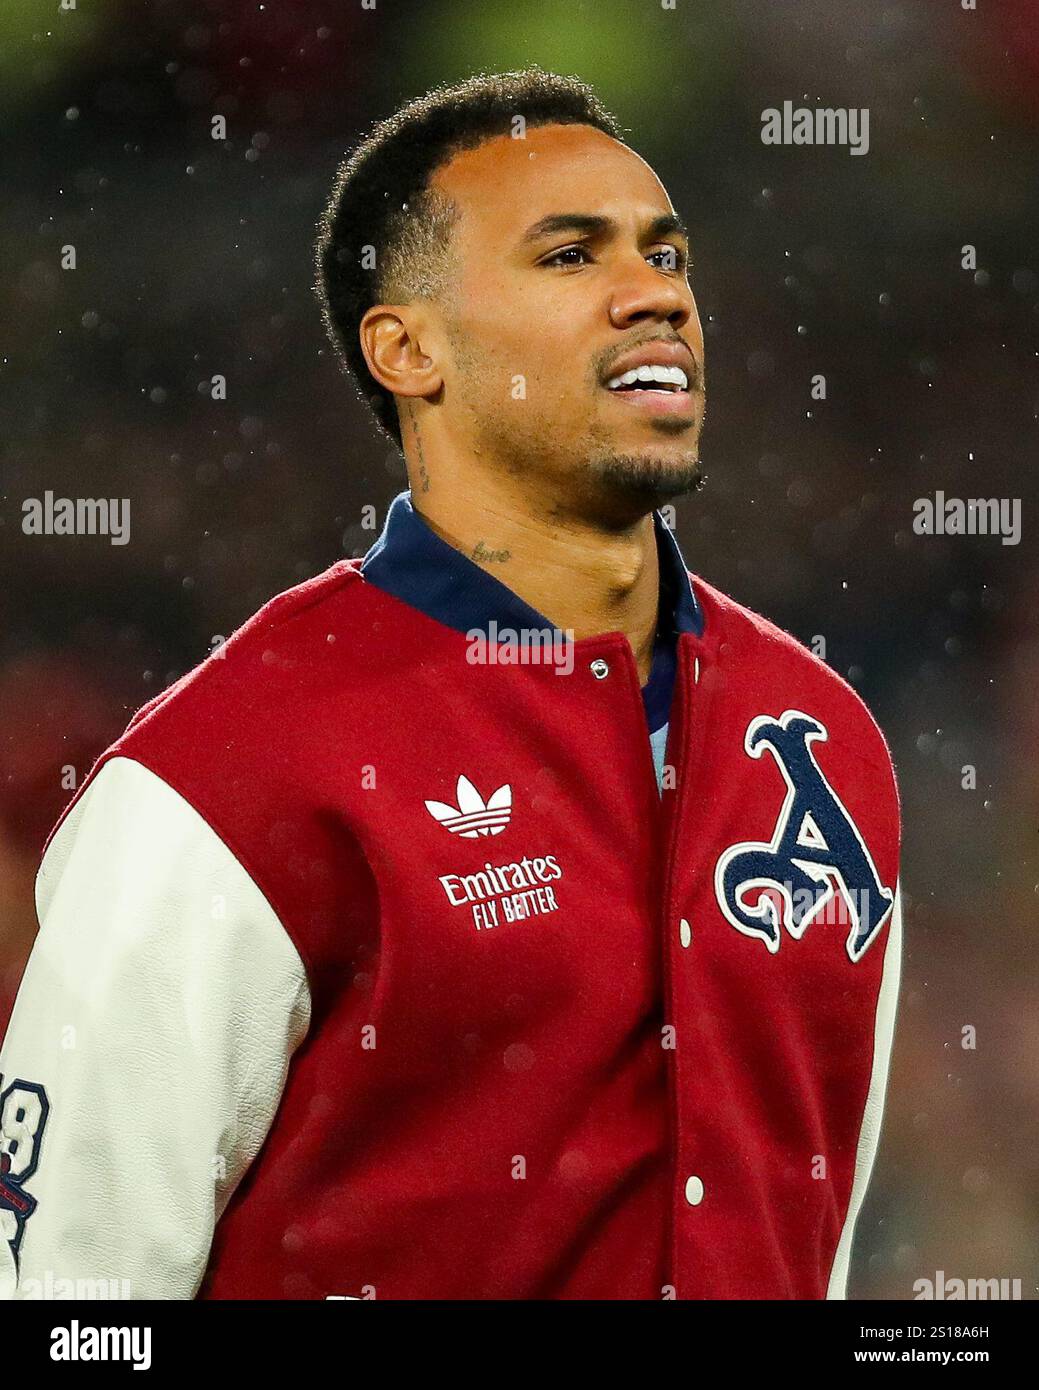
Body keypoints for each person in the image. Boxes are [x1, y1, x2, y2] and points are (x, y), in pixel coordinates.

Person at [0, 68, 901, 1301]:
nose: (658, 295)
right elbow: (64, 1297)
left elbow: (816, 1246)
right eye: (571, 256)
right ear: (408, 347)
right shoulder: (224, 774)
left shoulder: (828, 745)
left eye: (667, 252)